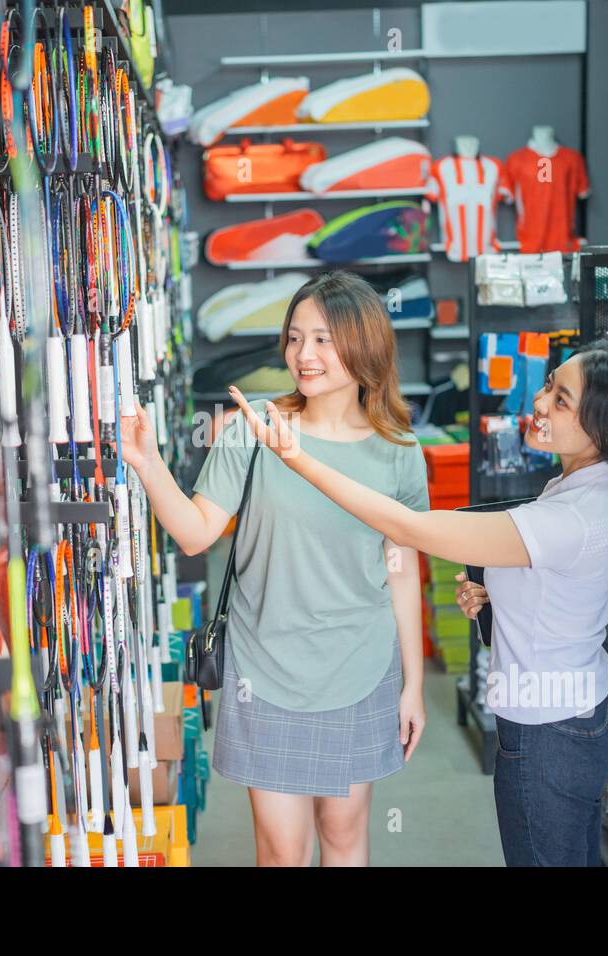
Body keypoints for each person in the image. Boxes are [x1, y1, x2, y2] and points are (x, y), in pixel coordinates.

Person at [226, 339, 608, 866]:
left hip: (548, 737)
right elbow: (596, 605)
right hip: (585, 716)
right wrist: (506, 597)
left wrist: (296, 458)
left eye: (562, 401)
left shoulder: (565, 516)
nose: (539, 403)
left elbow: (408, 527)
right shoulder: (592, 485)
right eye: (549, 385)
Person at [118, 271, 431, 867]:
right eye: (295, 338)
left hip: (359, 665)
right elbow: (194, 534)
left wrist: (413, 683)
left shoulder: (398, 451)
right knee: (283, 852)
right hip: (264, 670)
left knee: (344, 836)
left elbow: (400, 566)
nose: (303, 355)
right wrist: (148, 462)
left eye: (323, 339)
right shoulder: (254, 429)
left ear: (364, 344)